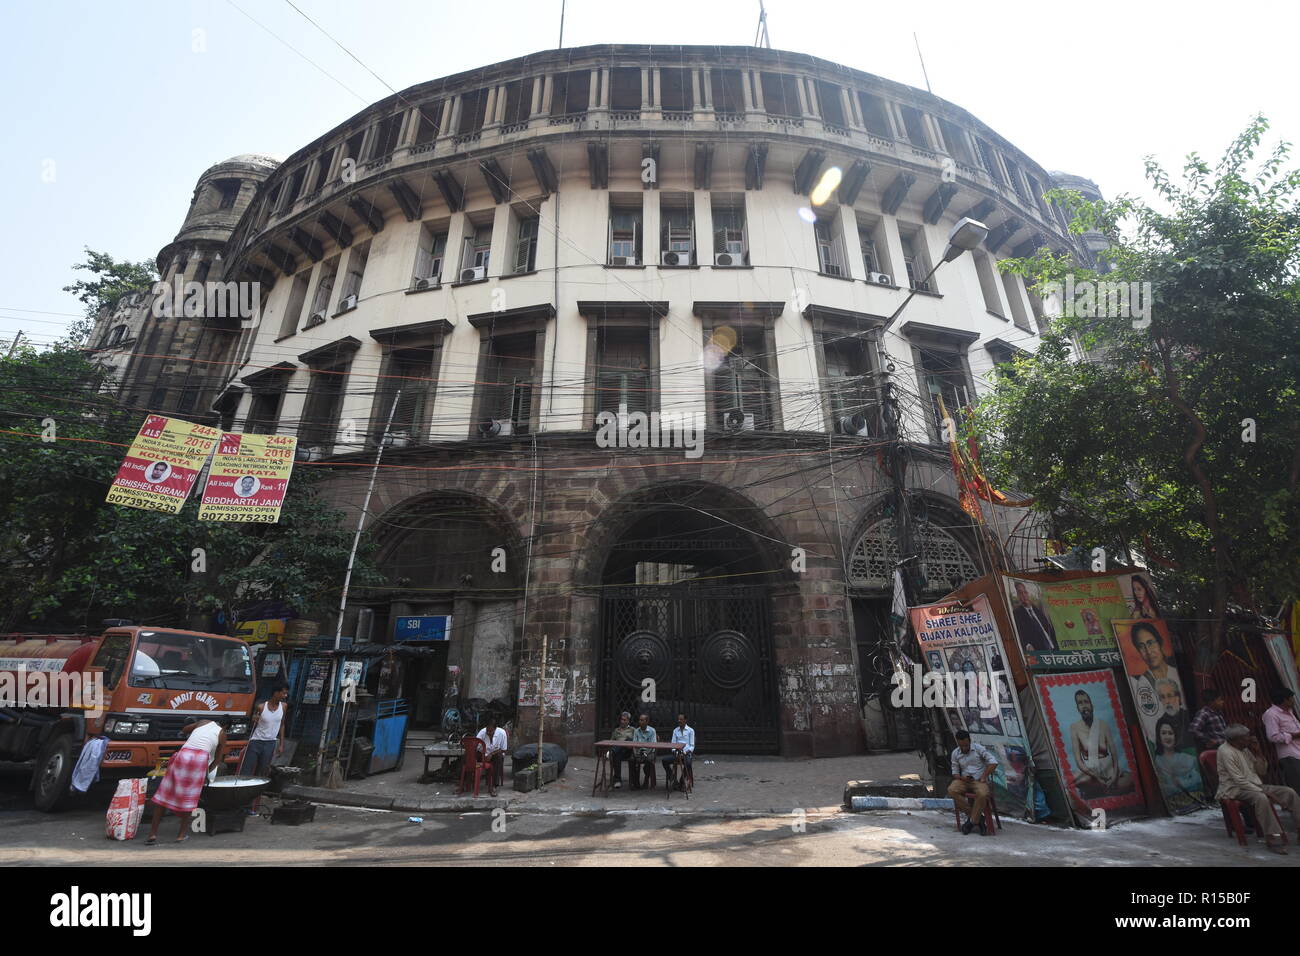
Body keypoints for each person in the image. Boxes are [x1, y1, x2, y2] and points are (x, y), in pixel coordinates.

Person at [1216, 724, 1300, 855]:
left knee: (1289, 792)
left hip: (1254, 785)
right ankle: (1272, 837)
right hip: (1233, 788)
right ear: (1236, 739)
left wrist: (1258, 751)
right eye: (1246, 737)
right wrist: (1263, 792)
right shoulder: (1225, 751)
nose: (1250, 739)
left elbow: (1262, 771)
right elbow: (1238, 780)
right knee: (1261, 798)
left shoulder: (1244, 749)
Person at [144, 717, 227, 844]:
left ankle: (152, 834)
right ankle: (180, 835)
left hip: (183, 754)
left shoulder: (203, 722)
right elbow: (217, 760)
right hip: (199, 760)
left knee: (164, 794)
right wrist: (206, 773)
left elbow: (184, 729)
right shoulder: (222, 734)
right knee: (190, 798)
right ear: (226, 727)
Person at [1068, 690, 1133, 796]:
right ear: (1077, 708)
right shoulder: (1074, 728)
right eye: (1080, 703)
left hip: (1108, 767)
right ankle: (1106, 788)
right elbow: (1079, 761)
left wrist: (1115, 774)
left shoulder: (1103, 725)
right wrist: (1096, 777)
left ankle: (1102, 788)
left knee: (1130, 778)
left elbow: (1114, 754)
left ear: (1092, 705)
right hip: (1090, 771)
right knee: (1075, 778)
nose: (1084, 706)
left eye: (1086, 702)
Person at [240, 681, 288, 813]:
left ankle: (252, 806)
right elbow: (253, 721)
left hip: (270, 743)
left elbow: (282, 725)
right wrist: (254, 719)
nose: (285, 695)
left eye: (285, 693)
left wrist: (281, 744)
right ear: (275, 693)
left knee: (261, 774)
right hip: (256, 742)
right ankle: (242, 804)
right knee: (246, 773)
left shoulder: (283, 707)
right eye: (283, 692)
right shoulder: (261, 707)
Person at [947, 730, 998, 835]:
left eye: (966, 745)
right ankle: (978, 818)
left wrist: (984, 776)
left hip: (979, 780)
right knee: (951, 790)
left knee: (983, 793)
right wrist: (962, 777)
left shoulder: (979, 749)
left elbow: (993, 762)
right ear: (958, 743)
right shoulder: (955, 753)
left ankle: (971, 821)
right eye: (961, 746)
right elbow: (955, 773)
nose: (964, 748)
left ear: (969, 741)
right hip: (964, 780)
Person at [1262, 688, 1300, 793]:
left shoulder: (1289, 711)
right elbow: (1272, 736)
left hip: (1298, 751)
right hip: (1290, 755)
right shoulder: (1271, 714)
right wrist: (1294, 736)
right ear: (1284, 700)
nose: (1293, 700)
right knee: (1297, 785)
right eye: (1291, 698)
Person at [1153, 715, 1202, 794]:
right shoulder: (1157, 761)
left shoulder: (1188, 758)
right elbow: (1163, 788)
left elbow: (1198, 779)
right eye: (1164, 733)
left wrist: (1181, 783)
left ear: (1175, 736)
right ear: (1159, 736)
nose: (1167, 737)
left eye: (1170, 733)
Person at [1011, 580, 1056, 653]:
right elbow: (1019, 634)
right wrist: (1027, 645)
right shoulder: (1017, 614)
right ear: (1017, 596)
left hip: (1053, 647)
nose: (1024, 595)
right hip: (1038, 652)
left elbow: (1048, 628)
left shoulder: (1037, 609)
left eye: (1025, 592)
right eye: (1020, 593)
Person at [1155, 678, 1194, 751]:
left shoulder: (1188, 716)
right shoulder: (1160, 723)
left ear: (1178, 697)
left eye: (1169, 696)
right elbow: (1160, 751)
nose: (1167, 701)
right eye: (1163, 697)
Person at [661, 714, 696, 790]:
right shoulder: (675, 730)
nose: (679, 721)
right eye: (678, 719)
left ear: (685, 720)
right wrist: (676, 752)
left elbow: (692, 746)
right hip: (677, 754)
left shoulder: (691, 730)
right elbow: (673, 745)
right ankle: (673, 778)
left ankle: (682, 781)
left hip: (686, 753)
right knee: (664, 760)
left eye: (681, 719)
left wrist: (685, 752)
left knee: (688, 763)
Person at [475, 716, 508, 795]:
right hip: (483, 754)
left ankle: (494, 786)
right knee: (468, 755)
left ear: (495, 729)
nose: (488, 733)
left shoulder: (502, 733)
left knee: (498, 757)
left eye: (491, 731)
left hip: (495, 755)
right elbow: (476, 746)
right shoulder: (482, 732)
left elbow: (504, 749)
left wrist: (491, 754)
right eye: (487, 731)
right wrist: (483, 755)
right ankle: (465, 782)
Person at [1189, 688, 1228, 753]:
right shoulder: (1204, 713)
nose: (1222, 702)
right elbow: (1193, 730)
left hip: (1224, 747)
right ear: (1211, 702)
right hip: (1215, 749)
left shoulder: (1219, 712)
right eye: (1219, 700)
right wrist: (1209, 740)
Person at [629, 713, 657, 790]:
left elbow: (653, 745)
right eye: (639, 720)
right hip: (638, 751)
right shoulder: (636, 731)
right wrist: (636, 753)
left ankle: (646, 779)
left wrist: (645, 754)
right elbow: (634, 744)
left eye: (642, 720)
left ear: (647, 722)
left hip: (649, 751)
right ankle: (635, 782)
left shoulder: (652, 731)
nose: (640, 722)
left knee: (649, 760)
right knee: (632, 760)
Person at [609, 711, 635, 789]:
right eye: (621, 719)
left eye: (624, 720)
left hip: (629, 751)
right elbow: (611, 742)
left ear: (628, 721)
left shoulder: (633, 729)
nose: (622, 721)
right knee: (616, 756)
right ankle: (618, 780)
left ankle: (613, 751)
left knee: (628, 740)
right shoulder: (616, 730)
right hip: (619, 752)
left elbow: (636, 740)